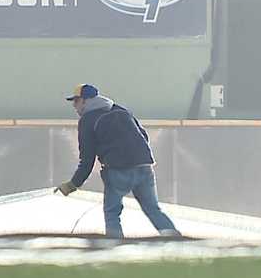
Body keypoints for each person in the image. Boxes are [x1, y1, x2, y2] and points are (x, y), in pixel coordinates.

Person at [54, 84, 181, 239]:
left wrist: (72, 184)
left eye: (76, 101)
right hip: (144, 166)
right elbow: (143, 135)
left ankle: (115, 245)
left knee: (112, 212)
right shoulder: (120, 110)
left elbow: (87, 159)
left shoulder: (87, 120)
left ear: (86, 101)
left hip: (118, 171)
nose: (74, 106)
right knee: (153, 209)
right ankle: (174, 239)